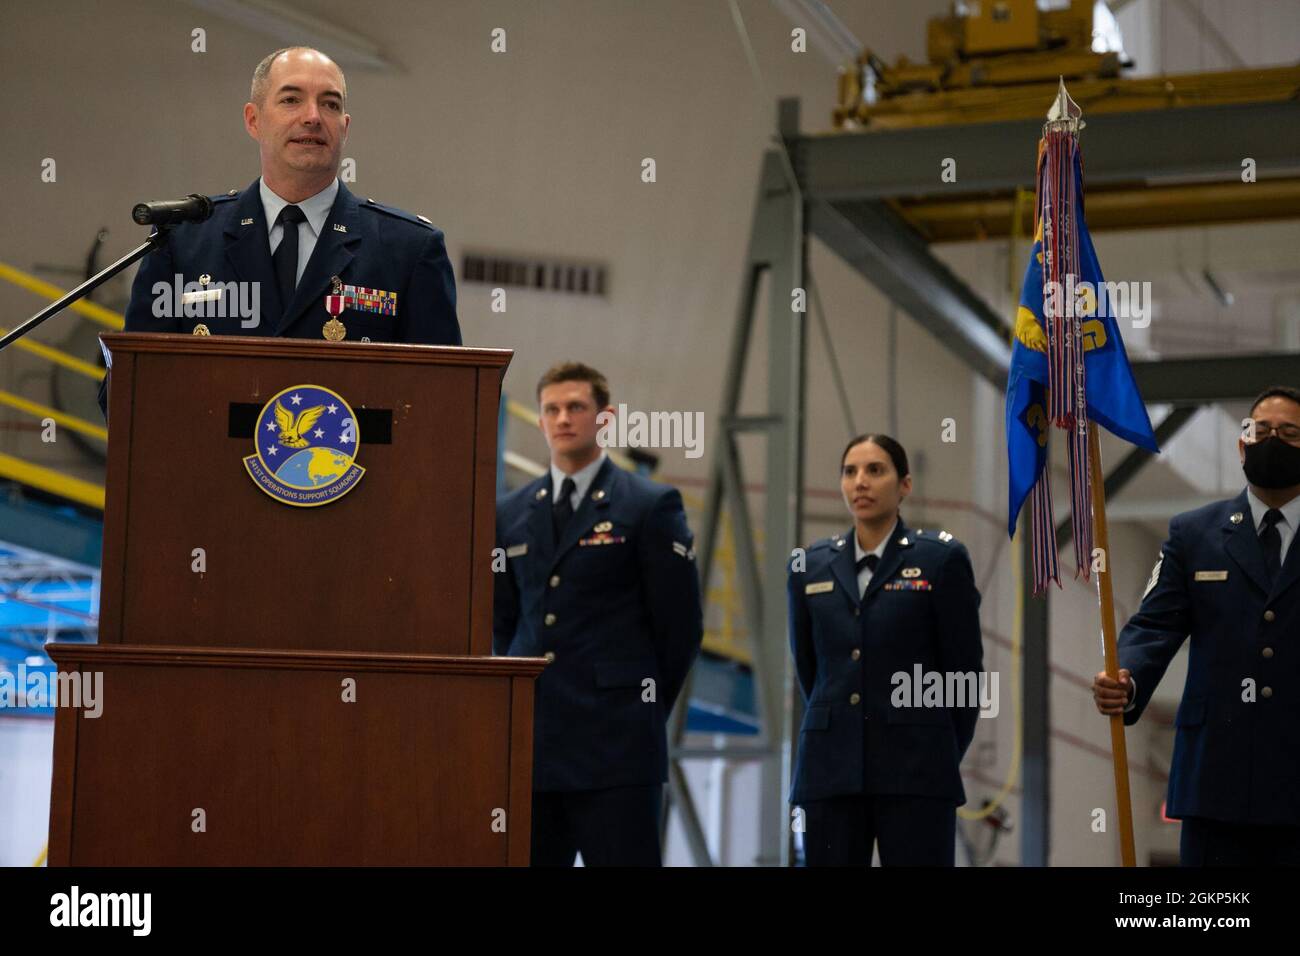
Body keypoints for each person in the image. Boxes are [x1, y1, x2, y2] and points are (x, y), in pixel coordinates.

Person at [99, 46, 460, 411]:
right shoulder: (184, 240)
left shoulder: (409, 250)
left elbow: (444, 404)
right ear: (253, 120)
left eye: (331, 104)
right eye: (291, 99)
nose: (313, 117)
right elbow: (131, 393)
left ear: (345, 129)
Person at [492, 361, 703, 866]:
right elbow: (503, 622)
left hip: (618, 749)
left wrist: (641, 705)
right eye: (552, 409)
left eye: (576, 407)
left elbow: (680, 627)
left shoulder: (649, 505)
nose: (563, 418)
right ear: (541, 423)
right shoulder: (509, 512)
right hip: (533, 747)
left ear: (603, 419)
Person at [1093, 385, 1300, 865]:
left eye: (1289, 433)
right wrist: (1127, 675)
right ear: (1241, 444)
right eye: (1260, 430)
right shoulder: (1194, 533)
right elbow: (1153, 625)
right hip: (1213, 779)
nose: (1272, 440)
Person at [787, 433, 984, 866]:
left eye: (875, 470)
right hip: (830, 771)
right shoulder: (808, 565)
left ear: (904, 485)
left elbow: (964, 676)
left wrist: (938, 750)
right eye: (850, 471)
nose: (861, 482)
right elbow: (810, 669)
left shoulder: (941, 560)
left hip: (917, 769)